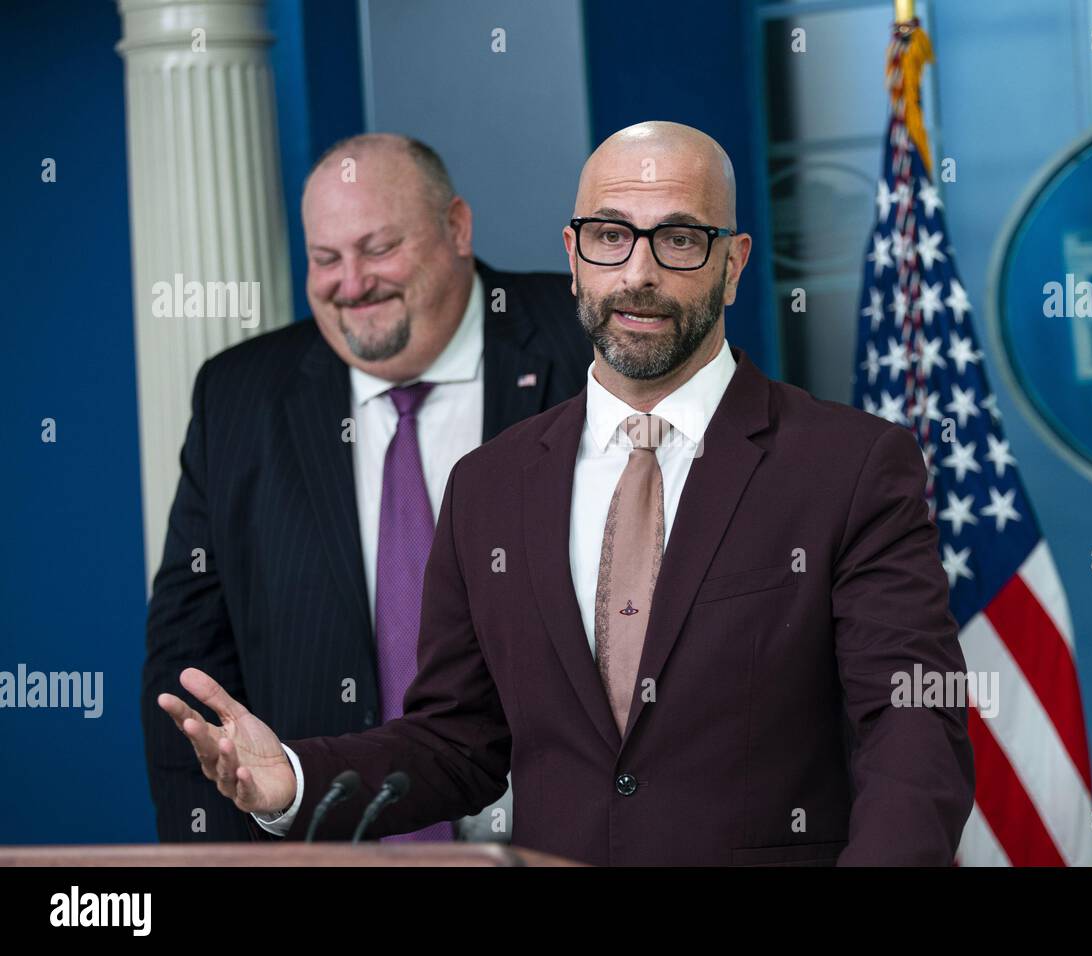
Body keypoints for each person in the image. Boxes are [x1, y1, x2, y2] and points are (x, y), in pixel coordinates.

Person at [158, 121, 975, 865]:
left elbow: (911, 726)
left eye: (681, 239)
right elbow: (457, 743)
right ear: (575, 255)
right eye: (611, 236)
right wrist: (295, 779)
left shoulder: (852, 464)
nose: (640, 272)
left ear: (733, 265)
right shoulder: (486, 485)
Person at [142, 133, 591, 843]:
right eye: (326, 258)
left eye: (378, 249)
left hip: (570, 840)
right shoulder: (240, 397)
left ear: (456, 229)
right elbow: (190, 664)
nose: (351, 284)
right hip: (328, 844)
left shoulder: (589, 340)